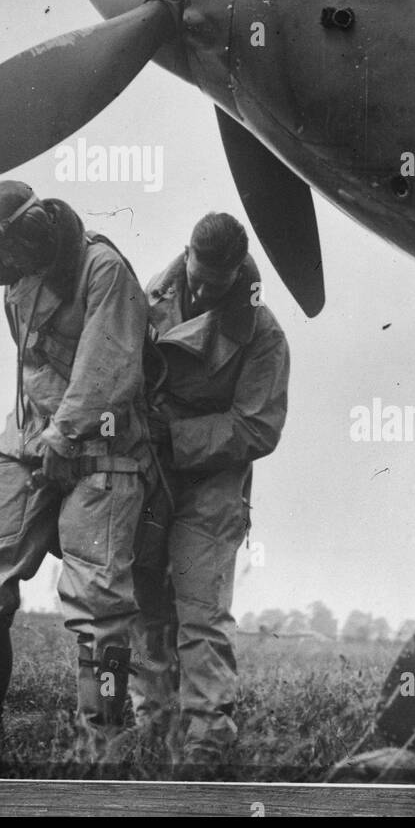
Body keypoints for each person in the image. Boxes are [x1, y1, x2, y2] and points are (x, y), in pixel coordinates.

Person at [0, 180, 151, 764]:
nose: (2, 262)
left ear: (34, 233)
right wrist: (39, 440)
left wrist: (63, 436)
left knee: (98, 605)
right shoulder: (16, 279)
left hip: (103, 445)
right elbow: (35, 371)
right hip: (31, 435)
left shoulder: (103, 270)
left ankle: (105, 742)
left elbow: (107, 368)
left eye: (8, 246)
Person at [131, 212, 290, 773]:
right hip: (152, 471)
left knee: (200, 606)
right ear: (187, 255)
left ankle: (208, 735)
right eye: (195, 277)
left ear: (237, 276)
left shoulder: (264, 334)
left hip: (214, 480)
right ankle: (151, 719)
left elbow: (257, 427)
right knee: (145, 594)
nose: (199, 291)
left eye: (214, 287)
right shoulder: (155, 293)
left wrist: (173, 435)